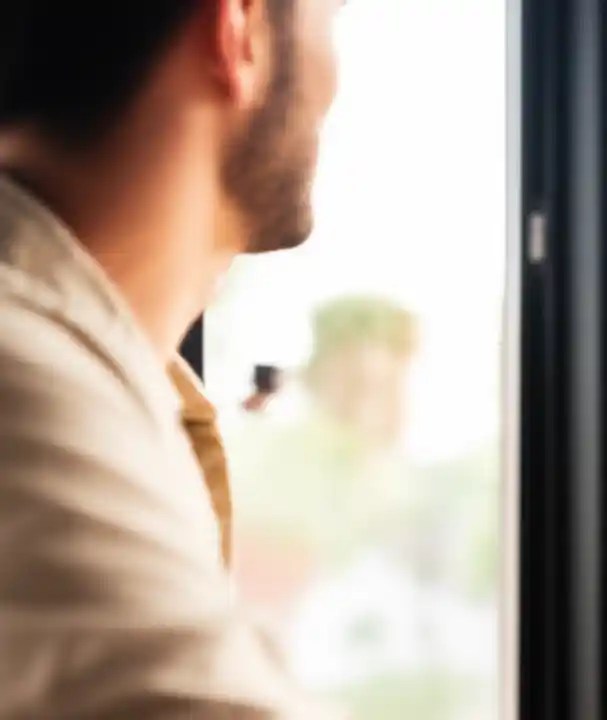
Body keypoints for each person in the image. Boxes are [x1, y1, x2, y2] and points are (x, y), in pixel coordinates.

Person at [0, 0, 344, 716]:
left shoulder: (111, 387)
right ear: (238, 32)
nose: (338, 76)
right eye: (330, 16)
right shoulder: (24, 388)